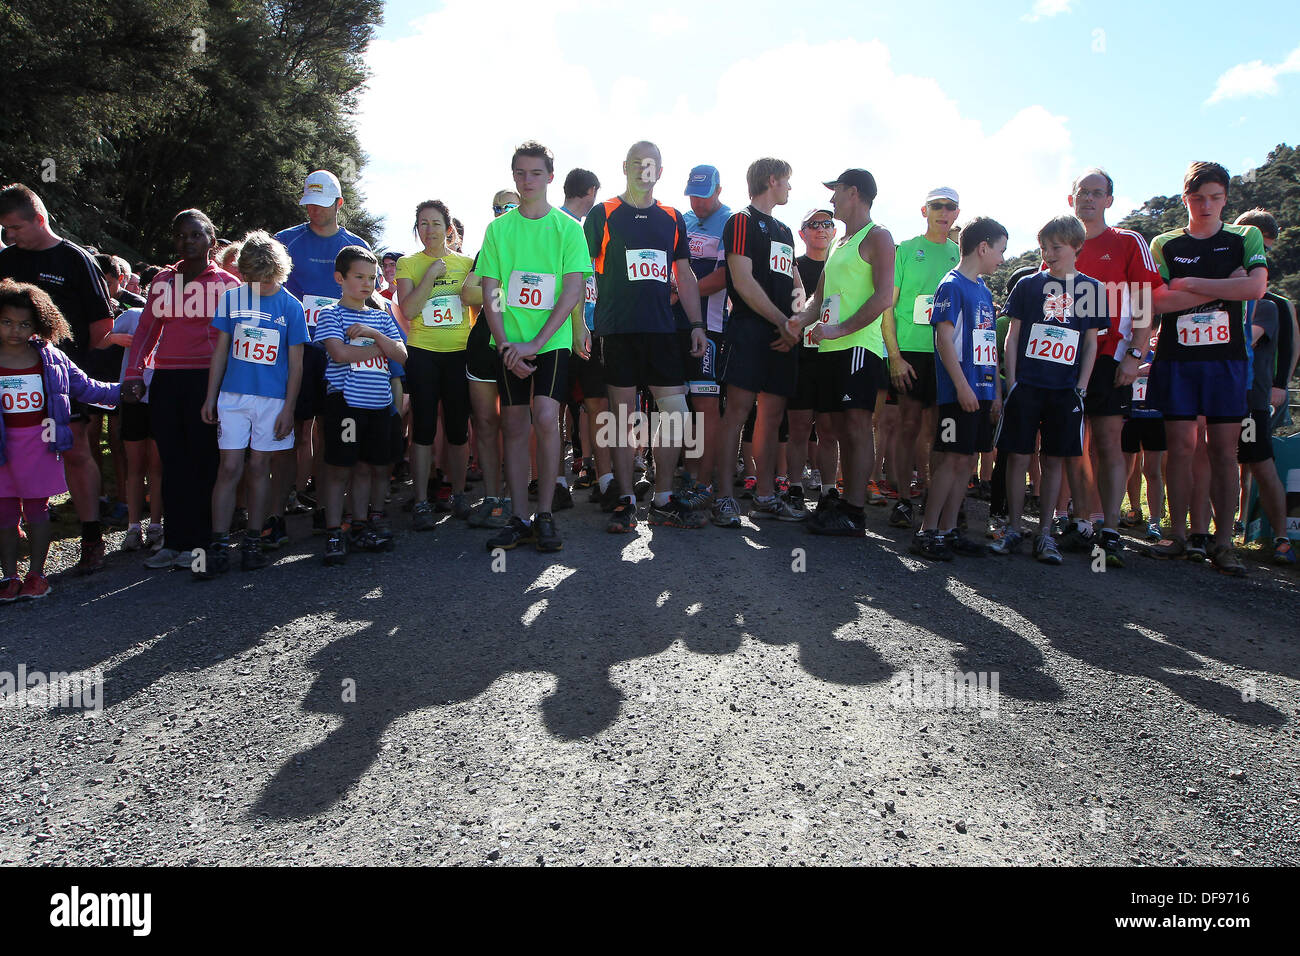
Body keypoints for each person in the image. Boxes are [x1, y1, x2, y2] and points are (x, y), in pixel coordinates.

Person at [1147, 162, 1267, 575]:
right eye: (1198, 198)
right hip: (1178, 360)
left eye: (1215, 198)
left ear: (1226, 199)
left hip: (1226, 361)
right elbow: (1157, 302)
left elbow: (1254, 288)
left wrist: (1190, 283)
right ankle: (1177, 534)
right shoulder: (1164, 243)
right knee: (1179, 448)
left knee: (1223, 450)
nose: (1206, 205)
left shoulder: (1244, 236)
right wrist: (1222, 286)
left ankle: (1222, 542)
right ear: (1185, 199)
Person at [585, 141, 706, 534]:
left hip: (661, 331)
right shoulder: (603, 214)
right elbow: (583, 273)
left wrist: (697, 324)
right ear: (625, 167)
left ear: (660, 171)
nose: (643, 170)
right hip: (616, 331)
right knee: (619, 418)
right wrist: (582, 324)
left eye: (650, 164)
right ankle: (624, 500)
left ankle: (664, 499)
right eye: (636, 164)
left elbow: (684, 275)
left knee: (677, 413)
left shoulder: (672, 217)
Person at [477, 141, 590, 551]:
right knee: (513, 424)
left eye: (536, 173)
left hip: (552, 342)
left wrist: (536, 344)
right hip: (508, 342)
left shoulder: (568, 228)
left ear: (550, 178)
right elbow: (491, 292)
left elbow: (573, 288)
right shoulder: (498, 230)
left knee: (546, 416)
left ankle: (545, 514)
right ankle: (519, 516)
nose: (528, 181)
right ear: (513, 177)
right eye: (521, 173)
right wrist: (509, 344)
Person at [0, 184, 115, 574]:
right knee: (9, 456)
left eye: (15, 227)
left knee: (76, 452)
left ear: (39, 218)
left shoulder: (74, 259)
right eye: (4, 229)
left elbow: (102, 325)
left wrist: (68, 367)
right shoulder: (5, 261)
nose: (8, 236)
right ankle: (15, 550)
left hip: (59, 381)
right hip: (10, 381)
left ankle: (91, 537)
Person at [123, 209, 241, 570]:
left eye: (195, 235)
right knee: (171, 460)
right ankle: (174, 542)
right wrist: (133, 373)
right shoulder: (161, 280)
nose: (187, 242)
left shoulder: (227, 284)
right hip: (167, 380)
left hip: (207, 381)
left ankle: (201, 544)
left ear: (212, 242)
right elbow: (145, 331)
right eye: (180, 235)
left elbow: (235, 339)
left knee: (204, 460)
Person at [0, 281, 129, 600]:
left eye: (24, 324)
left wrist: (124, 390)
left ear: (39, 324)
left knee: (37, 510)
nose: (15, 331)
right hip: (2, 450)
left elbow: (86, 387)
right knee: (3, 514)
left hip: (40, 443)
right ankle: (9, 577)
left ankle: (37, 574)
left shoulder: (50, 357)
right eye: (6, 322)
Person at [987, 216, 1105, 563]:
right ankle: (1012, 529)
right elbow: (1012, 335)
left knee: (1054, 461)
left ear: (1076, 247)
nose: (1049, 254)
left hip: (1065, 391)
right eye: (1044, 247)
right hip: (1028, 387)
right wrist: (1015, 379)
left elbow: (1090, 343)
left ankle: (1045, 534)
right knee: (1018, 456)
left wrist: (1081, 386)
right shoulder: (1028, 285)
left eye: (1056, 247)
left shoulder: (1091, 289)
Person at [1063, 168, 1165, 565]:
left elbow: (1144, 302)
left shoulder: (1128, 241)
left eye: (1096, 193)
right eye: (1081, 192)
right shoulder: (1060, 244)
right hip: (1066, 358)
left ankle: (1109, 530)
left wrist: (1135, 354)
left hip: (1111, 358)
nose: (1088, 198)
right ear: (1071, 198)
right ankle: (1079, 522)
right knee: (1072, 443)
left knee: (1108, 443)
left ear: (1109, 200)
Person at [787, 168, 896, 536]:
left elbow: (883, 297)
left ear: (854, 192)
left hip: (858, 348)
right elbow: (820, 295)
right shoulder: (838, 242)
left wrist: (839, 328)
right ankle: (838, 501)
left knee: (856, 426)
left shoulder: (878, 236)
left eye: (836, 192)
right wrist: (800, 320)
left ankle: (855, 511)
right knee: (830, 426)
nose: (831, 200)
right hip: (829, 348)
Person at [196, 231, 309, 577]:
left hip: (273, 400)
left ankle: (253, 541)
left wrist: (289, 409)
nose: (257, 286)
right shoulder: (232, 298)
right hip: (233, 396)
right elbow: (220, 351)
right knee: (229, 468)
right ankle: (217, 544)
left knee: (261, 468)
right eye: (251, 279)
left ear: (278, 272)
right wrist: (210, 396)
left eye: (265, 280)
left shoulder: (290, 306)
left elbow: (296, 364)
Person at [273, 170, 371, 540]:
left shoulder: (354, 246)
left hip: (339, 352)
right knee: (290, 431)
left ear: (339, 205)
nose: (314, 211)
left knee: (333, 431)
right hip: (297, 349)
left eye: (322, 204)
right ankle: (276, 513)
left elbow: (367, 297)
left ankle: (325, 508)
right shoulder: (285, 241)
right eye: (309, 204)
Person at [710, 157, 804, 526]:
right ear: (772, 180)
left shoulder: (784, 229)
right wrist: (782, 321)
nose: (790, 189)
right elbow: (742, 280)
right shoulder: (740, 221)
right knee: (736, 413)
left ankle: (765, 496)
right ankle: (723, 498)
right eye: (787, 182)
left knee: (772, 416)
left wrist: (795, 322)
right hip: (749, 330)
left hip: (783, 336)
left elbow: (795, 281)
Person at [911, 217, 1006, 559]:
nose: (1002, 258)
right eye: (1001, 250)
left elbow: (988, 344)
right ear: (983, 247)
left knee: (966, 463)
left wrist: (993, 391)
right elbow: (944, 340)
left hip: (981, 391)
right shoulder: (951, 285)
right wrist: (962, 387)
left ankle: (950, 530)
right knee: (950, 462)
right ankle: (927, 531)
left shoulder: (982, 289)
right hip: (959, 394)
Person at [314, 246, 408, 565]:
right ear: (340, 278)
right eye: (359, 277)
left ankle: (360, 524)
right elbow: (338, 354)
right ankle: (333, 531)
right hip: (346, 405)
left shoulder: (381, 318)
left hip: (379, 404)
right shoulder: (330, 313)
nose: (367, 284)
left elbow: (402, 356)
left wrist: (373, 336)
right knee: (341, 467)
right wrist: (381, 349)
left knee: (369, 466)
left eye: (372, 278)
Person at [394, 200, 476, 528]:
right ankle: (422, 501)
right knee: (423, 428)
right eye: (423, 224)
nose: (429, 230)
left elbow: (480, 306)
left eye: (436, 224)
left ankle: (458, 494)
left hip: (458, 353)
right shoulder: (407, 264)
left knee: (457, 429)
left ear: (449, 229)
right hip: (423, 352)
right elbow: (409, 310)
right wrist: (431, 274)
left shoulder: (467, 263)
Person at [883, 188, 961, 531]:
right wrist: (895, 356)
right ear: (924, 210)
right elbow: (887, 305)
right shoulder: (904, 249)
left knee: (936, 431)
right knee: (907, 426)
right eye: (937, 206)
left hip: (945, 353)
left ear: (957, 214)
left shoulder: (959, 253)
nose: (943, 212)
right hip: (910, 351)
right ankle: (902, 499)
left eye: (950, 207)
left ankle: (933, 495)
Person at [463, 189, 519, 531]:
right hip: (484, 345)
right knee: (485, 424)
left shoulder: (538, 239)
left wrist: (494, 287)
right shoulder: (490, 244)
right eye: (498, 207)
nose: (504, 211)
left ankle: (514, 500)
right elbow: (468, 292)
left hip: (521, 346)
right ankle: (492, 498)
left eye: (510, 205)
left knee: (516, 427)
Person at [674, 164, 730, 504]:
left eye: (704, 195)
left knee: (706, 405)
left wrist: (681, 292)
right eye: (693, 195)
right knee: (680, 404)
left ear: (719, 190)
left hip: (711, 327)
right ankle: (689, 473)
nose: (697, 203)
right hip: (676, 325)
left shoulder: (730, 220)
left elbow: (725, 276)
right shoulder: (683, 219)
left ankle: (705, 482)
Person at [558, 168, 609, 501]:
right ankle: (557, 480)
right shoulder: (559, 224)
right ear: (590, 191)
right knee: (559, 407)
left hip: (590, 330)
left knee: (593, 404)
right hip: (562, 333)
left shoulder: (583, 227)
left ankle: (599, 476)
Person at [788, 208, 837, 506]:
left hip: (833, 356)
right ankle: (794, 486)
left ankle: (829, 490)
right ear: (802, 232)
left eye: (827, 223)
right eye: (814, 224)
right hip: (800, 358)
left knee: (829, 429)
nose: (821, 228)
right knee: (798, 426)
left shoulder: (841, 265)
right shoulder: (794, 265)